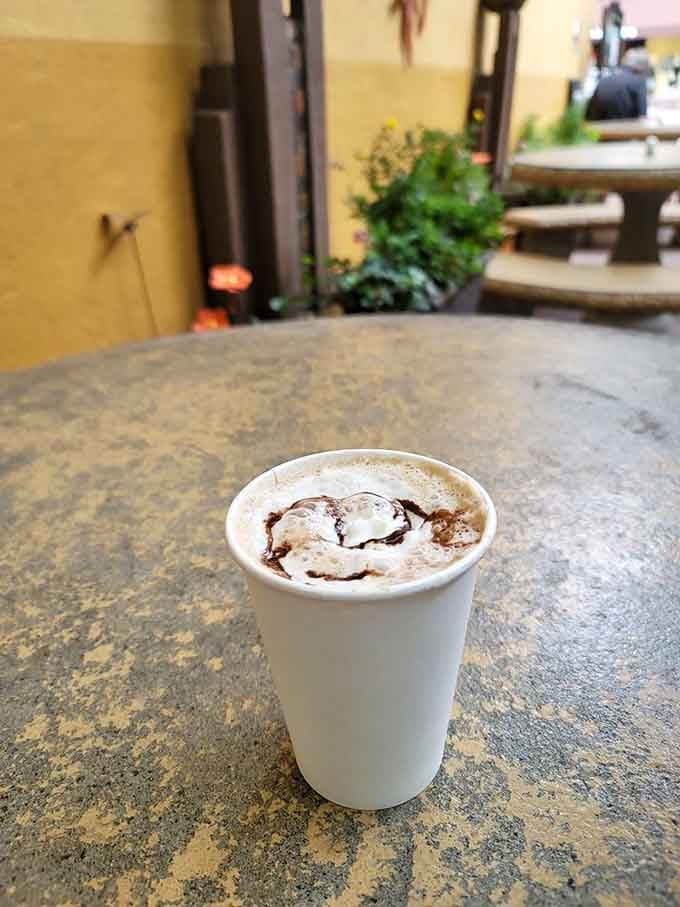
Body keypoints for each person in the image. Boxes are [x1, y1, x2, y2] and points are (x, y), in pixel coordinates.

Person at [585, 48, 651, 121]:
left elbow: (589, 113)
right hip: (624, 130)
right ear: (642, 67)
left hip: (596, 129)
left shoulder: (605, 79)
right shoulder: (639, 81)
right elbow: (642, 116)